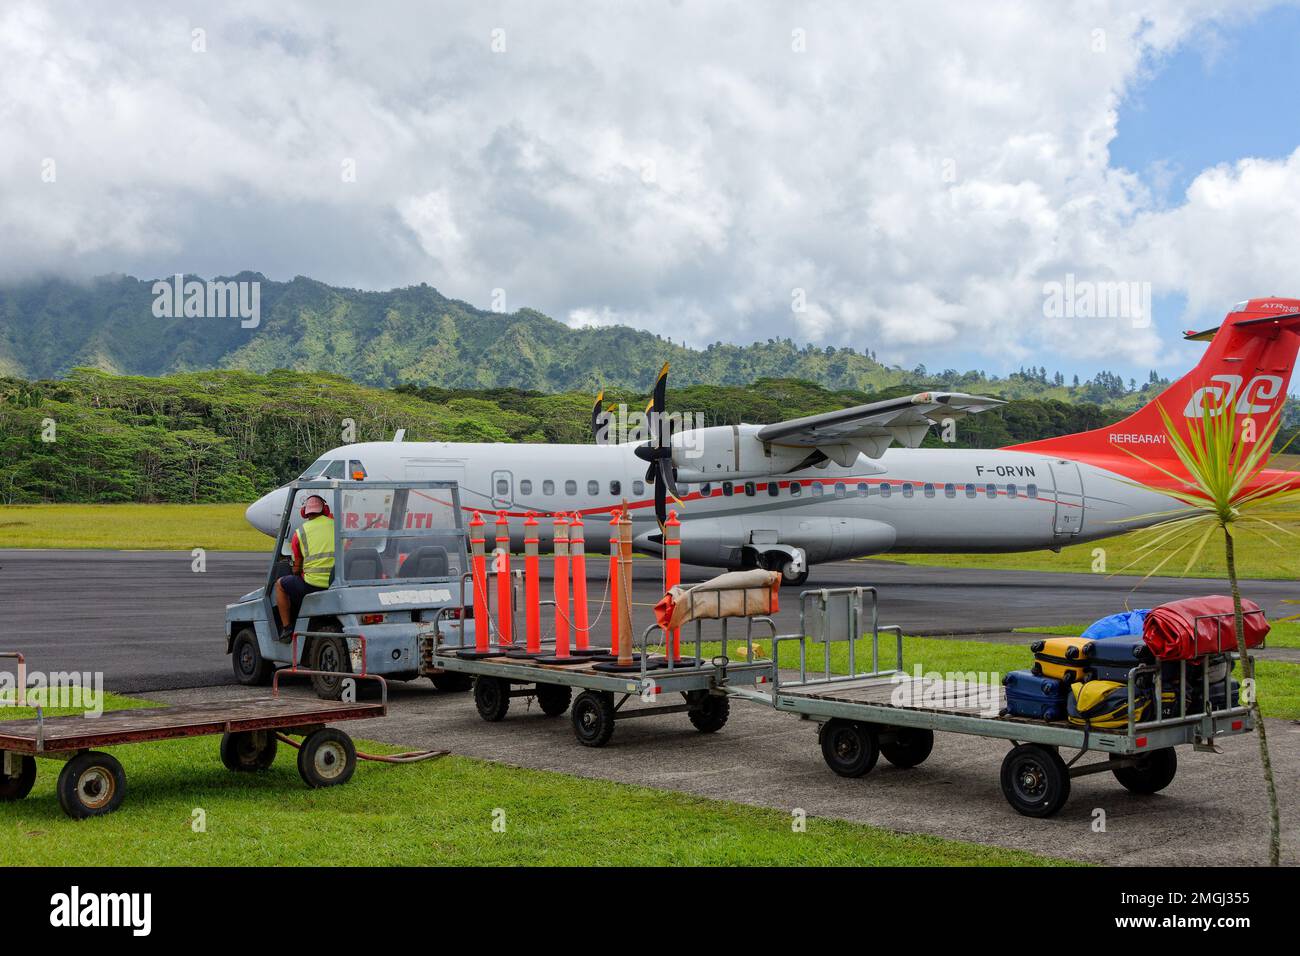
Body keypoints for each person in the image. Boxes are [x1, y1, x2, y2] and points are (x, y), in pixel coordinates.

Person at [274, 494, 336, 641]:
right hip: (336, 582)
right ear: (325, 510)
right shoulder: (337, 526)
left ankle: (287, 628)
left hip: (313, 585)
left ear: (305, 513)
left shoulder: (300, 532)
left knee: (280, 585)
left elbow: (296, 568)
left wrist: (297, 569)